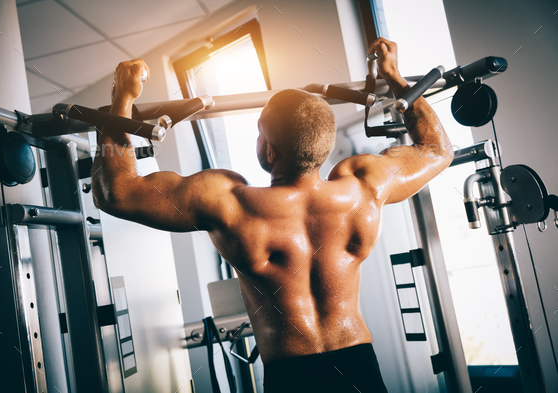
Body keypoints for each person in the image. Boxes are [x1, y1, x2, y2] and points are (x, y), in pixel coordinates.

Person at [92, 38, 453, 392]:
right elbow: (437, 150)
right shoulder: (363, 188)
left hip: (291, 375)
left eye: (260, 131)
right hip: (359, 366)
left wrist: (121, 99)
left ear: (269, 149)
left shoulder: (230, 204)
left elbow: (116, 193)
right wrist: (395, 77)